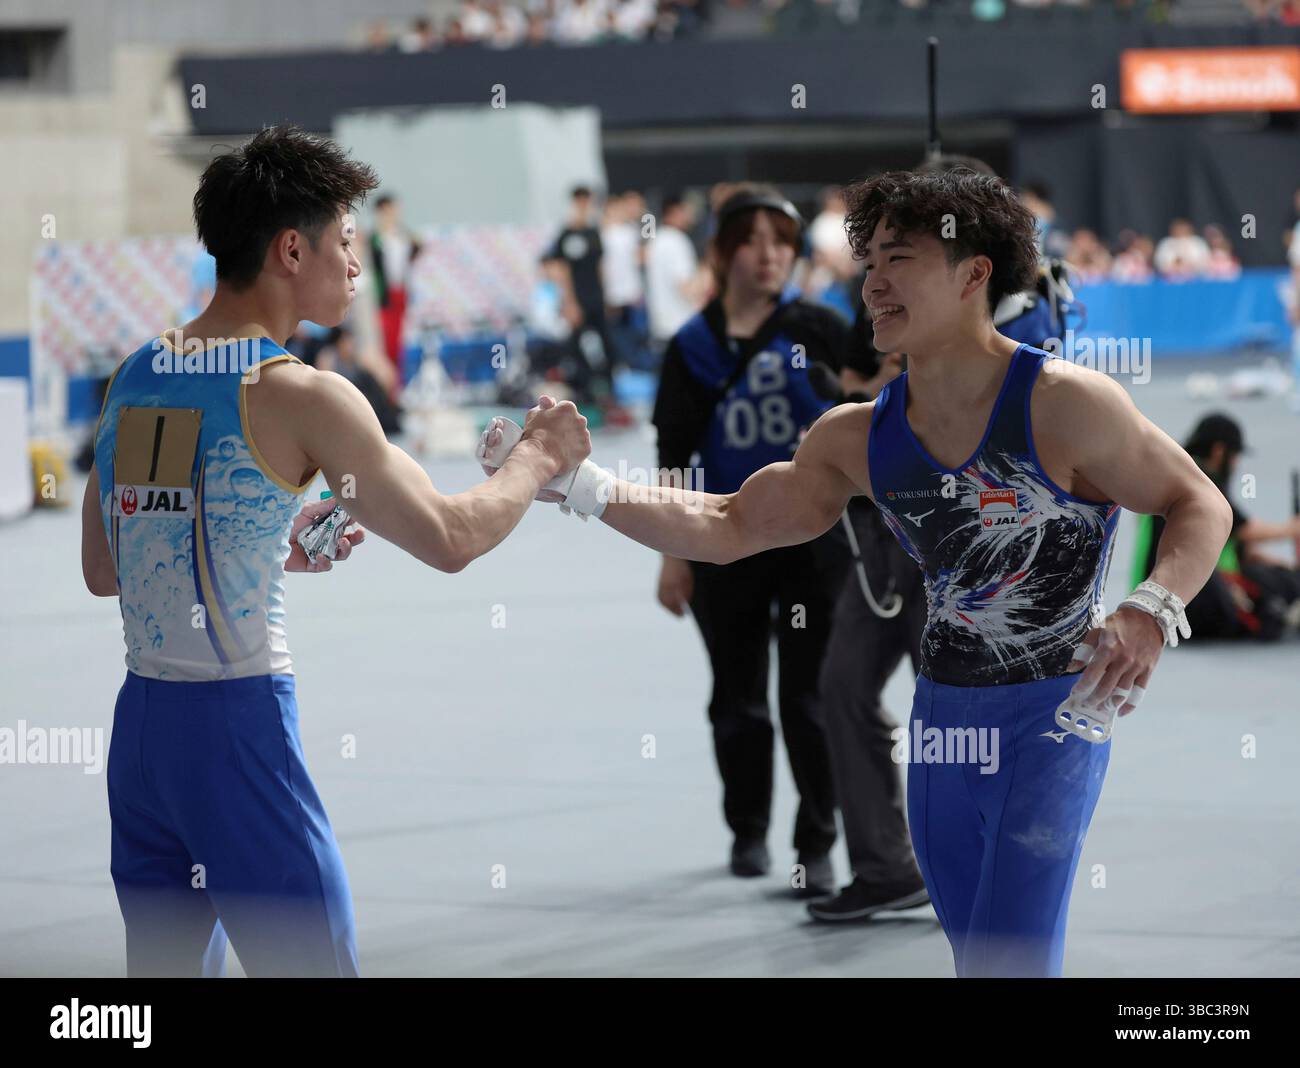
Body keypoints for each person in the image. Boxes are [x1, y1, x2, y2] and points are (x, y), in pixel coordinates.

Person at [480, 167, 1233, 976]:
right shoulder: (856, 437)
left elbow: (1200, 503)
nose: (871, 284)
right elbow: (731, 522)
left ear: (974, 272)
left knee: (1010, 962)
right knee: (972, 955)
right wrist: (580, 488)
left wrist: (1152, 608)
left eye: (897, 260)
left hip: (1050, 720)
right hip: (942, 720)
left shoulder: (1064, 404)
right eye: (866, 263)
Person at [82, 125, 590, 978]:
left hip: (140, 741)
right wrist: (540, 458)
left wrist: (262, 542)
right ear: (291, 249)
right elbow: (451, 537)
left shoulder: (140, 371)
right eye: (347, 242)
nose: (357, 263)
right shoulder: (304, 394)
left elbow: (117, 564)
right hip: (237, 734)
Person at [650, 185, 860, 893]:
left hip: (813, 540)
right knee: (736, 695)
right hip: (722, 540)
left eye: (781, 240)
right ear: (722, 252)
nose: (768, 253)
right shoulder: (691, 347)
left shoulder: (822, 327)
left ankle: (818, 843)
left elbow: (871, 403)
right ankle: (747, 829)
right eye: (752, 238)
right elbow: (674, 454)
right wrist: (673, 553)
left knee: (810, 695)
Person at [1137, 413, 1300, 639]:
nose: (1235, 464)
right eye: (1234, 456)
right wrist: (1291, 529)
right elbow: (1243, 530)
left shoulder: (1183, 472)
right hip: (1179, 591)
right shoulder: (1200, 480)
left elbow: (1228, 543)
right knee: (1269, 598)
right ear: (1219, 451)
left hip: (1164, 587)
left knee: (1280, 578)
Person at [546, 186, 614, 405]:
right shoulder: (567, 234)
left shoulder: (594, 233)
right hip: (578, 299)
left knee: (607, 345)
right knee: (576, 348)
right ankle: (583, 392)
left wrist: (605, 297)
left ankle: (608, 393)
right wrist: (569, 302)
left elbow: (600, 266)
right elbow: (562, 270)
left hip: (596, 298)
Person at [368, 193, 421, 394]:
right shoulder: (376, 238)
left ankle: (396, 389)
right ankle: (387, 390)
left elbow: (416, 249)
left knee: (398, 345)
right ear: (382, 211)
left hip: (400, 295)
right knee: (386, 343)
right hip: (385, 297)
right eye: (390, 210)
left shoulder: (402, 235)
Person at [646, 193, 704, 352]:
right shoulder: (677, 241)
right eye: (687, 209)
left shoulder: (657, 239)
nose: (690, 214)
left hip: (662, 327)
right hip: (680, 326)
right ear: (675, 211)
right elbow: (686, 287)